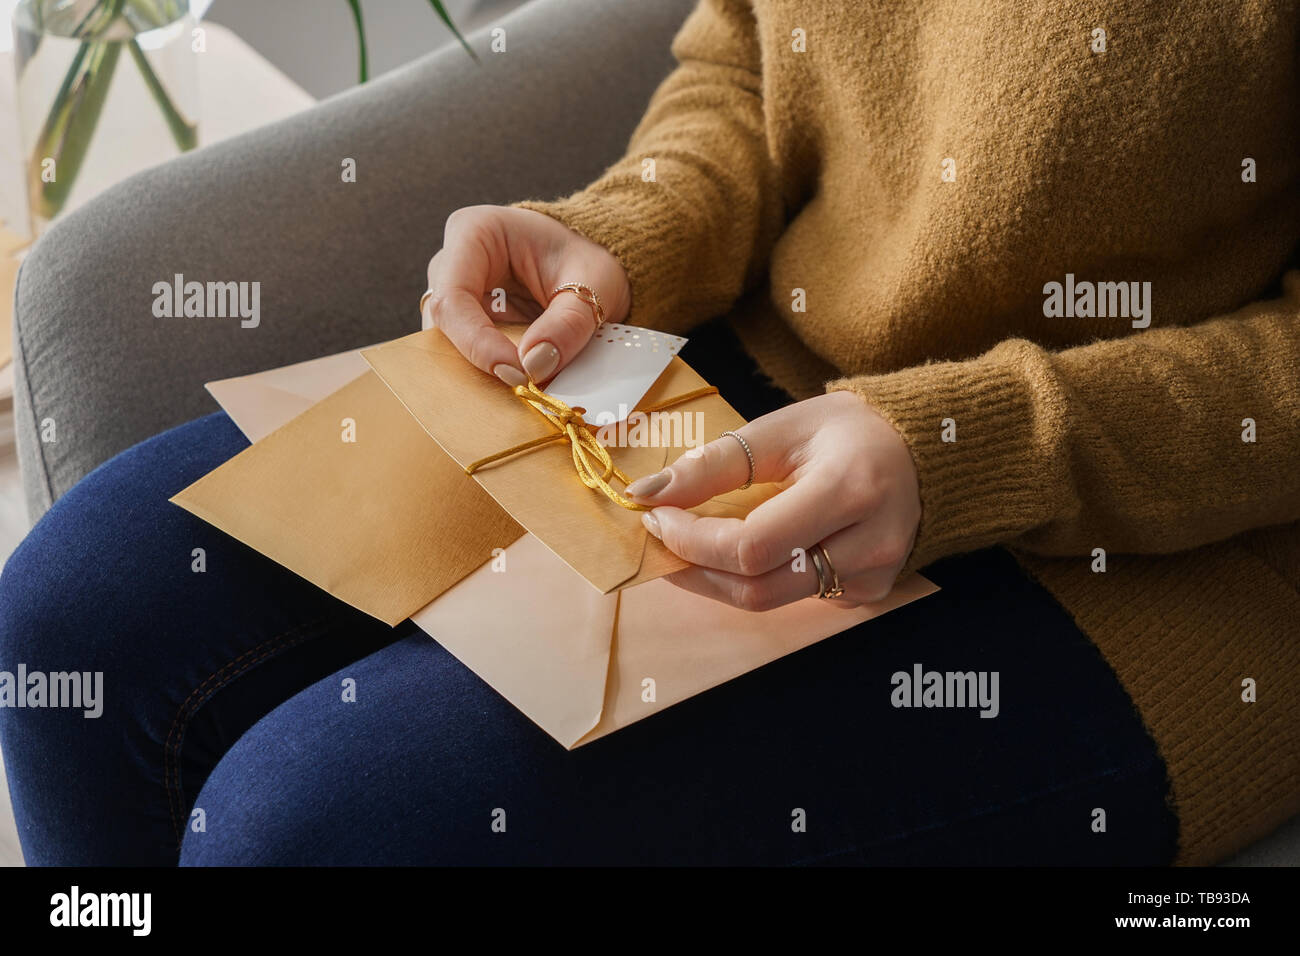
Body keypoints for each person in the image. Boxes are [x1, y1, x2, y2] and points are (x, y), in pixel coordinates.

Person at [1, 0, 1296, 866]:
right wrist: (626, 233)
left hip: (1162, 557)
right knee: (73, 618)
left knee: (310, 829)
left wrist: (964, 443)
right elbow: (745, 43)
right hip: (756, 353)